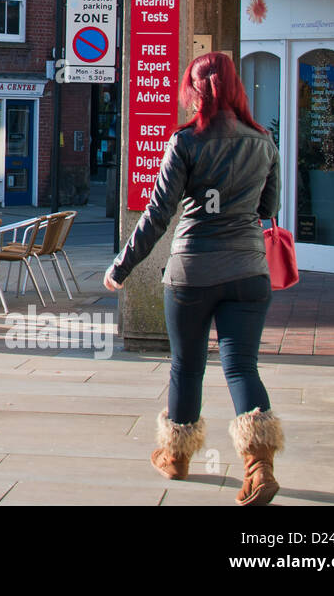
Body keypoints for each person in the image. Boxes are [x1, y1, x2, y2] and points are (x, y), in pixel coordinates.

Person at [104, 52, 284, 506]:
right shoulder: (264, 142)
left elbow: (158, 214)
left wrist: (121, 267)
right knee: (242, 366)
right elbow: (267, 210)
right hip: (248, 270)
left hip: (192, 272)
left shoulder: (185, 142)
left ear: (194, 90)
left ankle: (177, 458)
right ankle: (259, 466)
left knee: (187, 366)